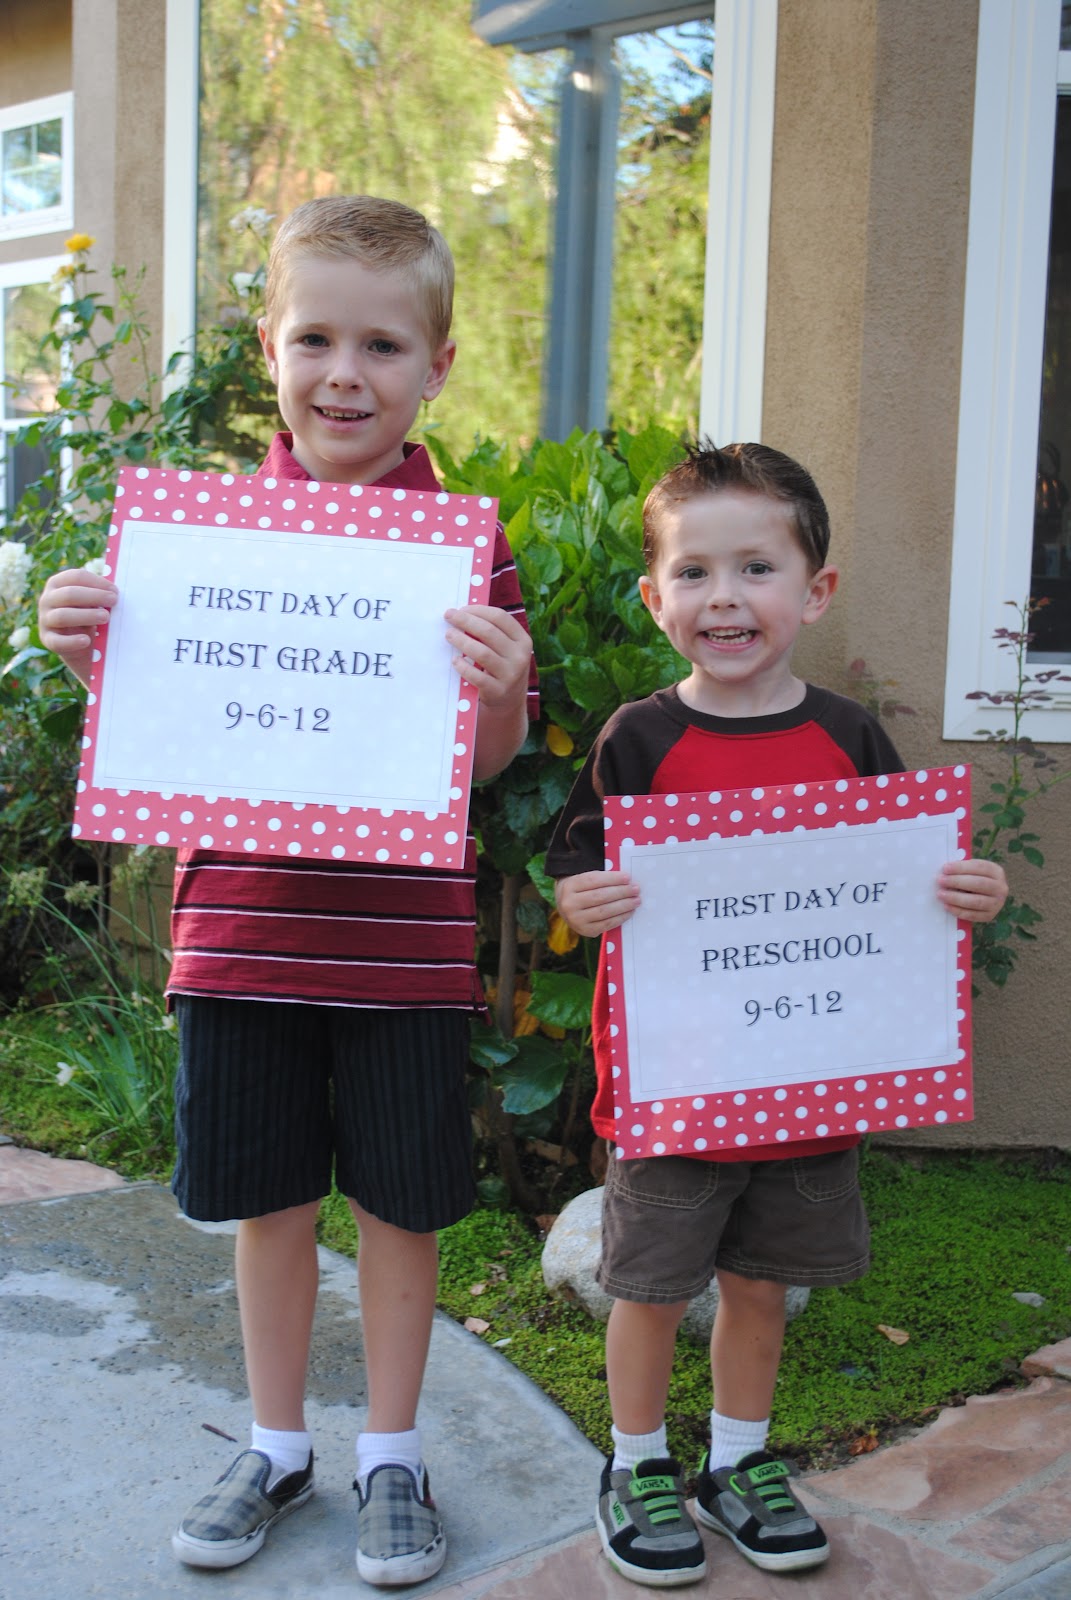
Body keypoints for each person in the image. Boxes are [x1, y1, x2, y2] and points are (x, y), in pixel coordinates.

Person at [38, 195, 536, 1588]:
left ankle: (388, 1451)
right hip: (242, 936)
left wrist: (496, 696)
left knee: (400, 1207)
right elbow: (150, 728)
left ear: (435, 366)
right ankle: (275, 1441)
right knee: (266, 1206)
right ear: (269, 347)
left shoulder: (460, 545)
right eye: (314, 337)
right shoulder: (202, 537)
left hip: (402, 954)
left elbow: (487, 763)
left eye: (381, 345)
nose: (343, 374)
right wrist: (89, 650)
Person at [544, 440, 1007, 1588]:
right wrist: (582, 894)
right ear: (655, 599)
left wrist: (967, 888)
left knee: (762, 1288)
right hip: (678, 1095)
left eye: (756, 567)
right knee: (647, 1285)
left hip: (808, 1093)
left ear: (816, 590)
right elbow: (576, 865)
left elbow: (906, 881)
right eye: (693, 574)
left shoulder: (849, 737)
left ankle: (739, 1462)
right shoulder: (638, 740)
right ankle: (638, 1462)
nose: (726, 597)